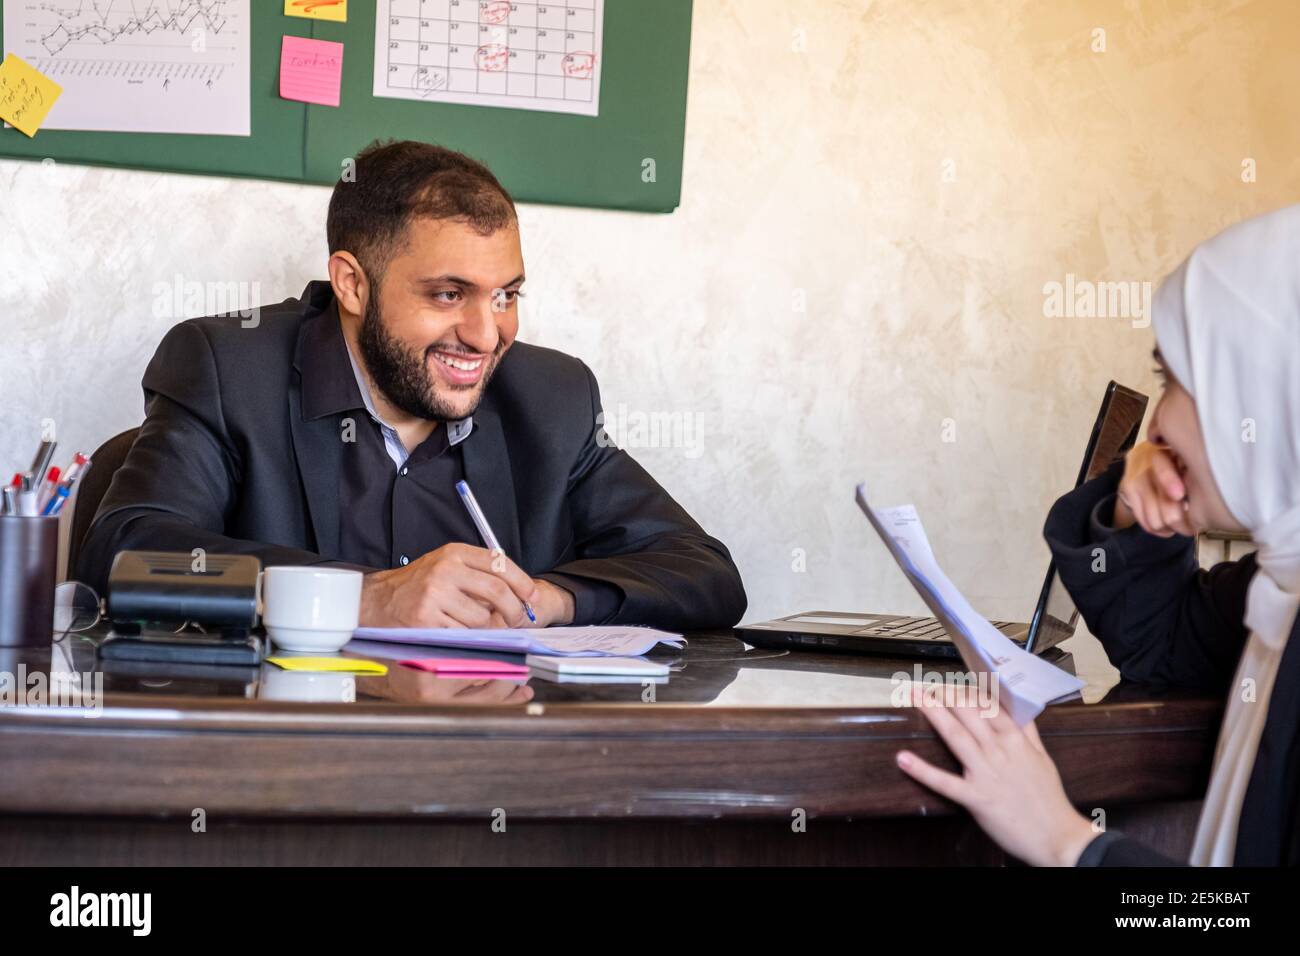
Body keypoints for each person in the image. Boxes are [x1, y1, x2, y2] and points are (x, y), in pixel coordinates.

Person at [78, 140, 747, 633]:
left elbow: (703, 571)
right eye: (449, 293)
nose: (487, 336)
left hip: (493, 784)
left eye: (506, 295)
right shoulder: (227, 368)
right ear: (352, 284)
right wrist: (370, 597)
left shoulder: (552, 396)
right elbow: (131, 552)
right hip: (279, 771)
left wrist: (554, 599)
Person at [895, 204, 1300, 866]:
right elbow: (1166, 648)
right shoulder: (1283, 579)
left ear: (1259, 391)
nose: (1158, 420)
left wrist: (1066, 842)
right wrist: (1132, 510)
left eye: (1174, 381)